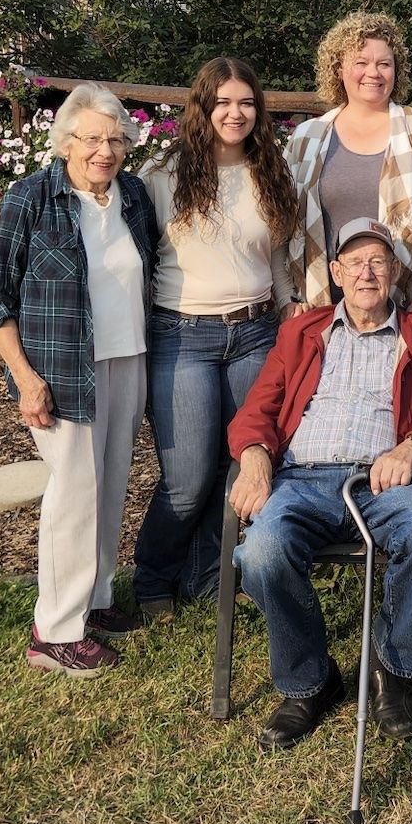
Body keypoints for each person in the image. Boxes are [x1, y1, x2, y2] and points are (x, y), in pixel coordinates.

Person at [226, 217, 412, 749]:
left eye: (378, 261)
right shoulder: (301, 332)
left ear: (397, 271)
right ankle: (311, 681)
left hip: (382, 482)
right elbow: (257, 408)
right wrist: (257, 454)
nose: (367, 272)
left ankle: (391, 670)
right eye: (355, 262)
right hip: (300, 478)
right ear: (336, 272)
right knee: (262, 554)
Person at [0, 84, 158, 677]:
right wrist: (25, 378)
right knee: (74, 493)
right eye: (91, 139)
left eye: (115, 139)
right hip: (58, 371)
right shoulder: (32, 197)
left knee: (109, 486)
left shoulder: (131, 196)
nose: (103, 150)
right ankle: (54, 630)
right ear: (65, 143)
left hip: (127, 357)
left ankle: (95, 598)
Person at [132, 57, 301, 617]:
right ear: (203, 107)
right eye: (223, 102)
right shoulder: (162, 175)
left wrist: (289, 321)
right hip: (182, 335)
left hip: (255, 334)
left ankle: (207, 578)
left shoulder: (271, 174)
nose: (236, 113)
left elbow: (275, 262)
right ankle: (153, 577)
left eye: (247, 103)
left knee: (239, 467)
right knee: (187, 479)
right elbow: (138, 259)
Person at [284, 13, 412, 316]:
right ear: (338, 69)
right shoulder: (306, 138)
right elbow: (284, 224)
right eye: (361, 63)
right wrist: (287, 297)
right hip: (321, 305)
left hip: (408, 304)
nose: (374, 73)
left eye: (384, 64)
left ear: (397, 71)